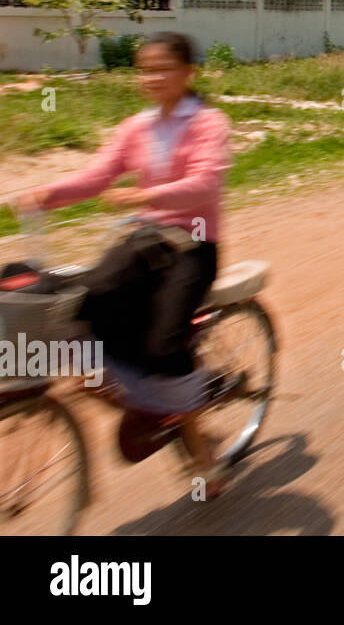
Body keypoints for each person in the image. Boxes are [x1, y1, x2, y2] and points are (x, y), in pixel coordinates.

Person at [15, 31, 233, 495]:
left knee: (162, 346)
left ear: (188, 72)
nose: (152, 78)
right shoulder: (137, 126)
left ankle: (202, 454)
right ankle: (151, 403)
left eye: (162, 69)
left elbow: (204, 184)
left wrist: (145, 195)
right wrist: (46, 195)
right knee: (78, 312)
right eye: (144, 70)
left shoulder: (209, 122)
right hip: (144, 245)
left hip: (194, 247)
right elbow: (97, 176)